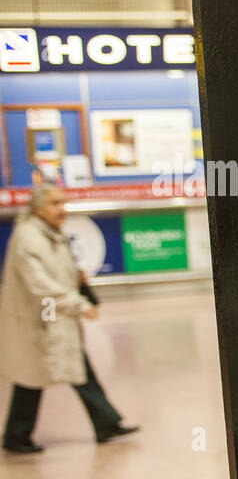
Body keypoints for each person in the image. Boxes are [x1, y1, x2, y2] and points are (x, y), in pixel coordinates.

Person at [0, 184, 139, 453]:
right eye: (55, 203)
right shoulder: (28, 238)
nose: (62, 209)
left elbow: (54, 272)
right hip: (39, 319)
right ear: (38, 208)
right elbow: (39, 285)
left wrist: (76, 278)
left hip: (52, 317)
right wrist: (78, 304)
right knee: (32, 377)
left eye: (63, 202)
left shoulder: (49, 232)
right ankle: (16, 436)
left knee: (76, 368)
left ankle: (106, 423)